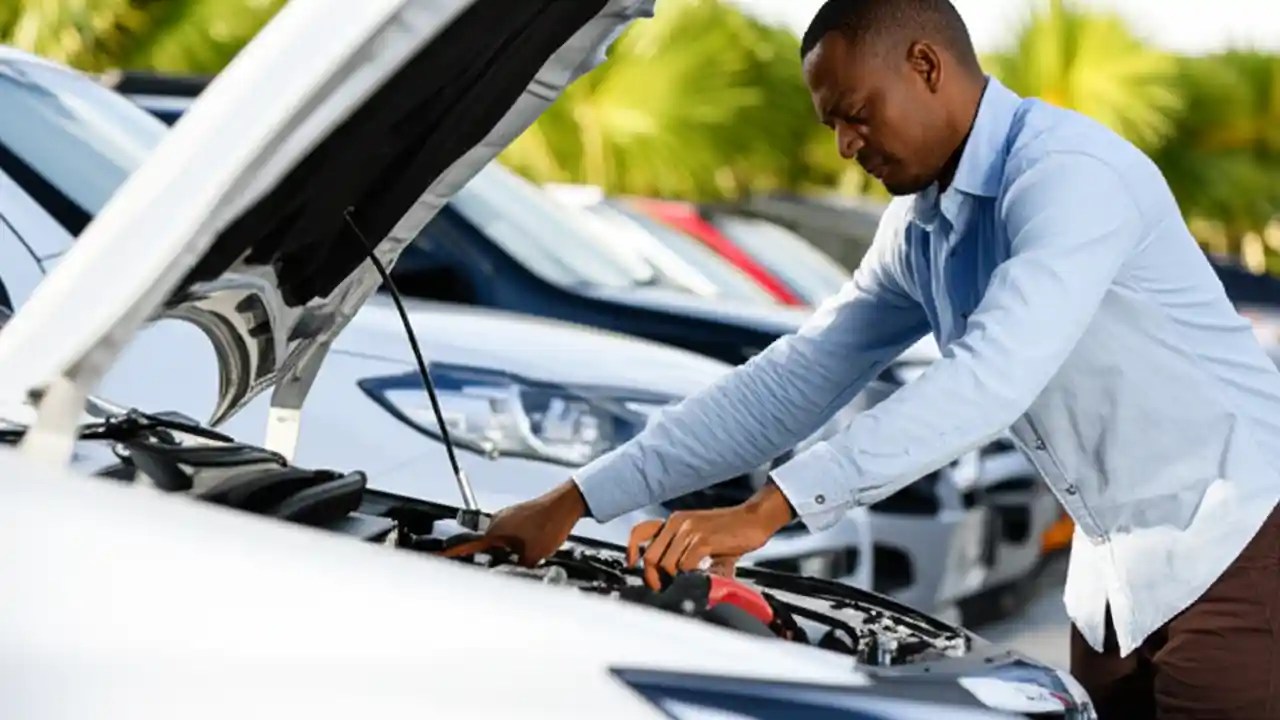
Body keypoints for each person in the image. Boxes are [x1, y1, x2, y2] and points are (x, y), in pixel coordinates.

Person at [465, 0, 1280, 716]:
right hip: (1115, 585)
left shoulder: (1071, 175)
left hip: (1240, 538)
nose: (847, 145)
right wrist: (574, 499)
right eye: (833, 126)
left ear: (926, 65)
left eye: (856, 113)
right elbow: (794, 378)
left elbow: (992, 376)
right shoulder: (920, 229)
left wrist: (764, 513)